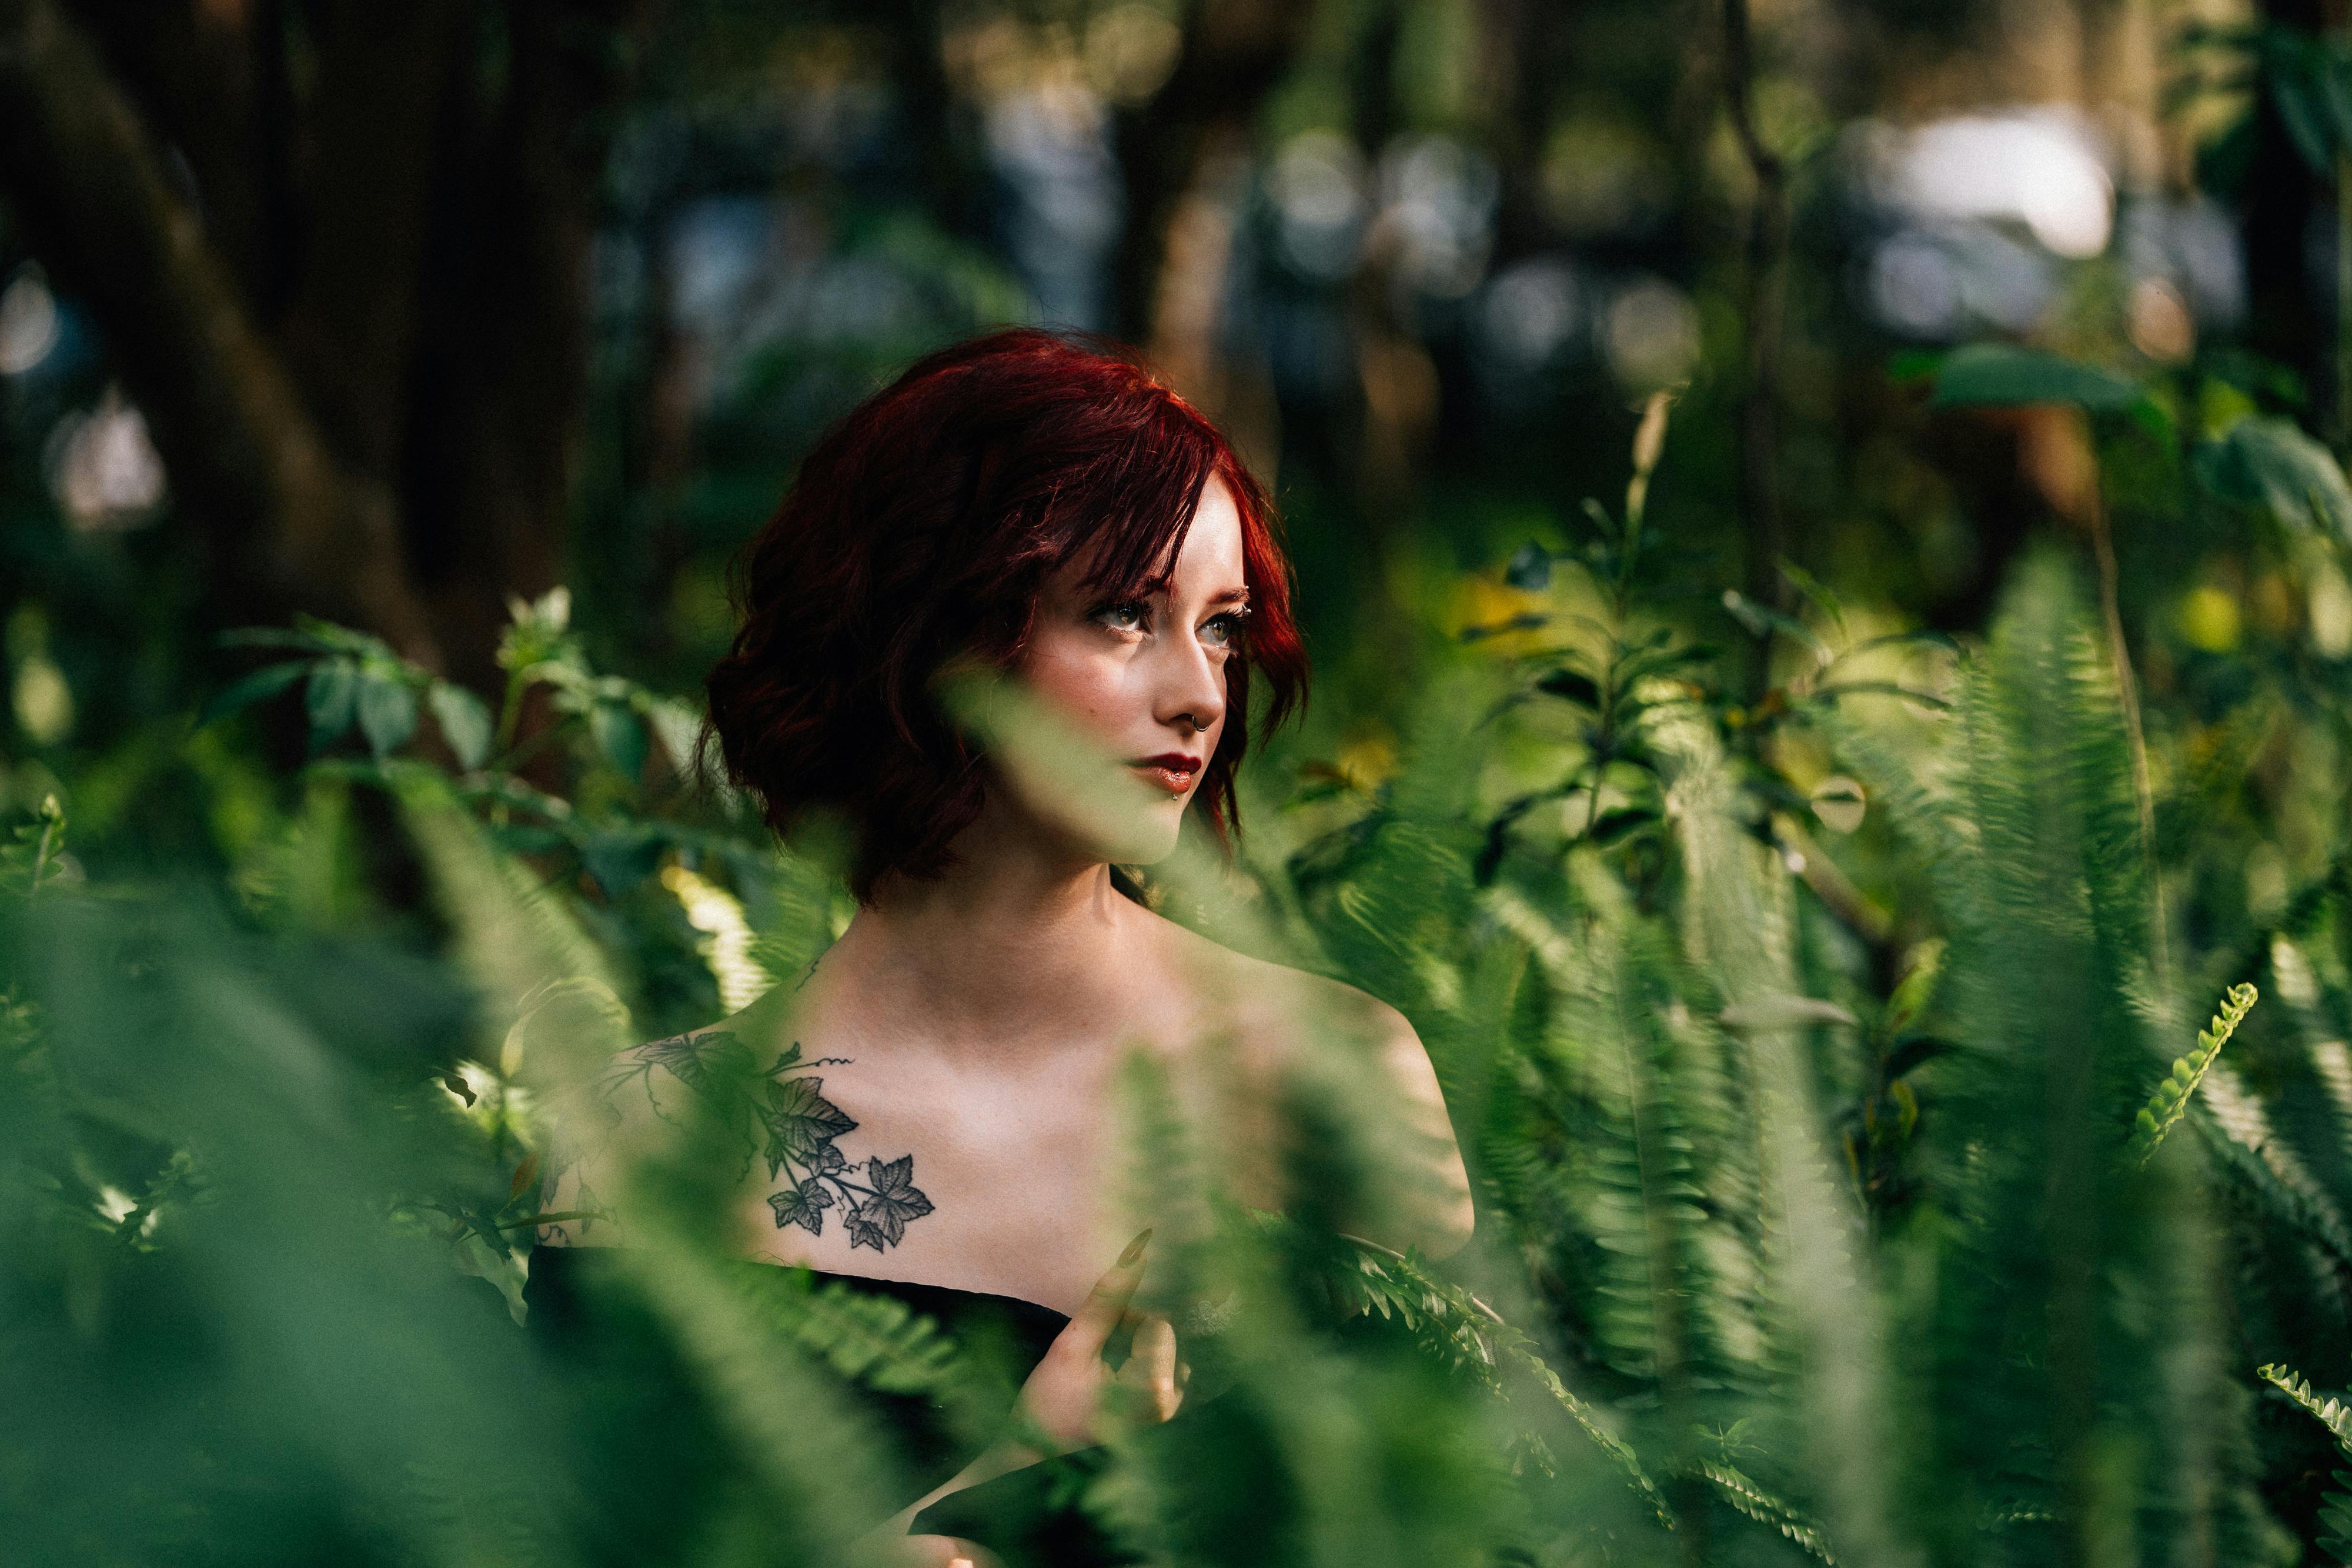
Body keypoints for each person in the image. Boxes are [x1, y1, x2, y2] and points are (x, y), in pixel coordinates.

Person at [533, 326, 1475, 1567]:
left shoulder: (1328, 1079)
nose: (1200, 692)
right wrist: (1013, 1474)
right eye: (1125, 614)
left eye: (1222, 626)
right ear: (929, 628)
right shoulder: (654, 1133)